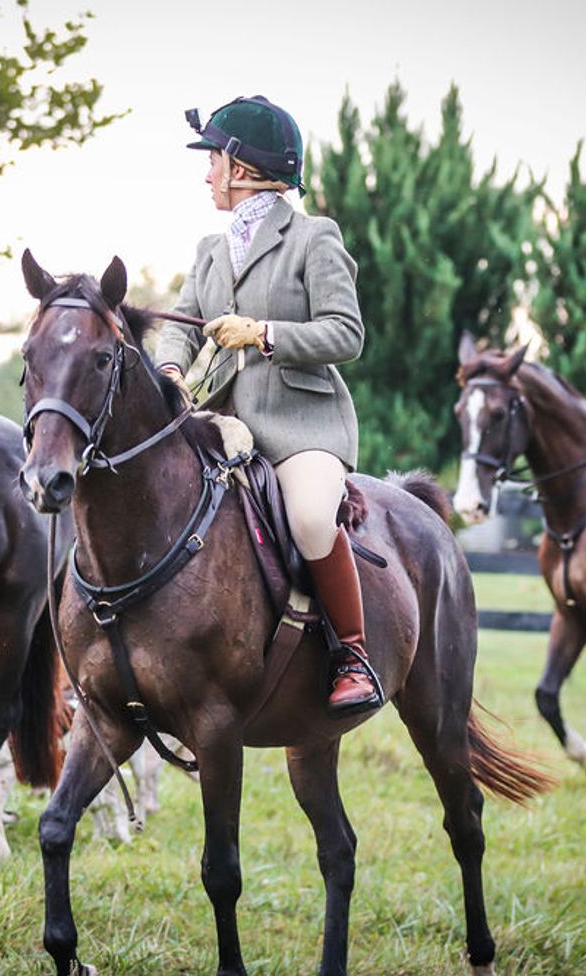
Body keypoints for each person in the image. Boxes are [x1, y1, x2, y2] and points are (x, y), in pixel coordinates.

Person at [153, 95, 382, 716]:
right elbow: (179, 324)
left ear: (241, 167)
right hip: (222, 423)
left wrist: (264, 333)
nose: (206, 175)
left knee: (309, 518)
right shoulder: (210, 248)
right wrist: (170, 370)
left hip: (300, 425)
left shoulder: (314, 237)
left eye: (212, 162)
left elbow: (347, 334)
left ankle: (352, 654)